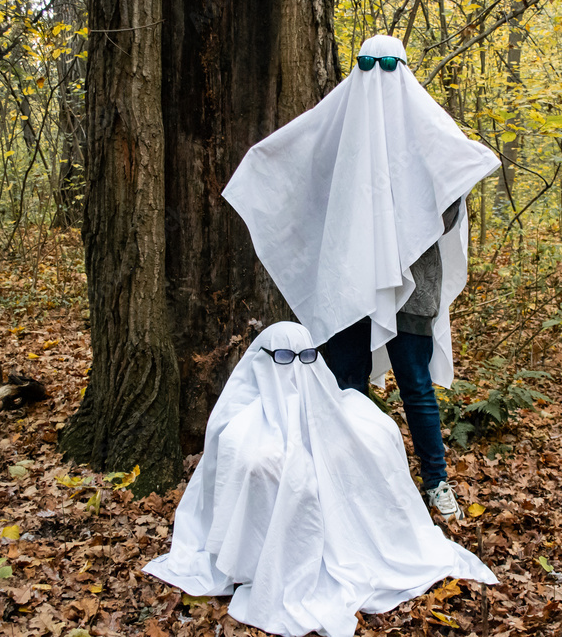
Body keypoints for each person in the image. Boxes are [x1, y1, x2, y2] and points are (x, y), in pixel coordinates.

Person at [222, 35, 500, 522]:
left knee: (415, 384)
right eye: (369, 67)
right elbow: (305, 184)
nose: (380, 78)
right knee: (346, 382)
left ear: (405, 73)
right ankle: (351, 479)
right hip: (348, 281)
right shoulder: (338, 133)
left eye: (390, 67)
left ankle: (436, 482)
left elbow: (453, 206)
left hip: (413, 285)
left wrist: (413, 216)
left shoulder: (429, 131)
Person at [142, 322, 497, 637]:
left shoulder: (353, 415)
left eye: (307, 356)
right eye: (283, 357)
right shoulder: (239, 429)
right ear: (263, 359)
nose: (296, 369)